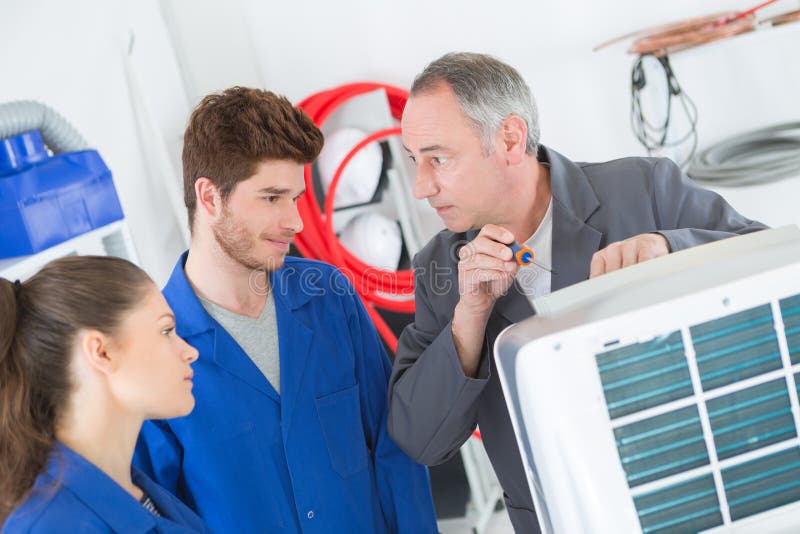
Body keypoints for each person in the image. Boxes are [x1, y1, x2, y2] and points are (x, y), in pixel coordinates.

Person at [387, 52, 768, 533]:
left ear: (510, 139)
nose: (421, 187)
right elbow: (420, 439)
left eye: (438, 159)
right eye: (414, 161)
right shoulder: (440, 269)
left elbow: (771, 264)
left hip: (699, 502)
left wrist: (671, 249)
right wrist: (469, 320)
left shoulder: (644, 191)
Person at [133, 87, 437, 533]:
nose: (294, 221)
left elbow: (394, 448)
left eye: (295, 197)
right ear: (210, 197)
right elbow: (163, 518)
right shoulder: (156, 353)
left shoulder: (329, 298)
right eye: (272, 198)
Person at [0, 256, 207, 533]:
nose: (190, 352)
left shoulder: (138, 491)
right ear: (102, 352)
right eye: (166, 330)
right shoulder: (52, 526)